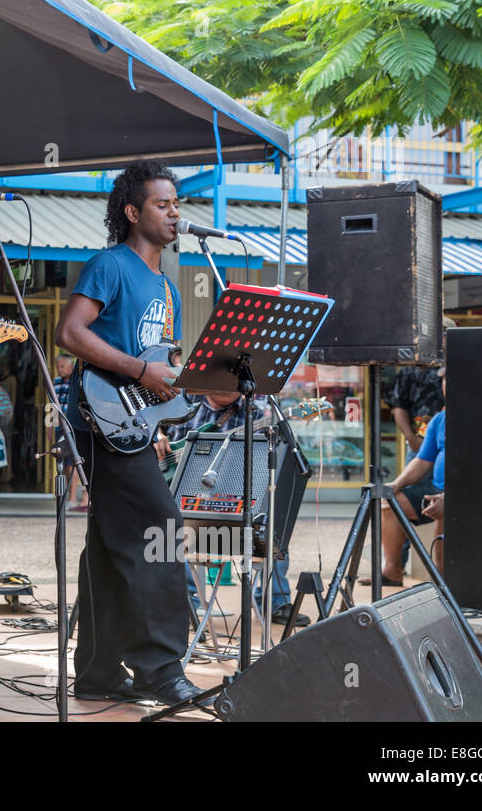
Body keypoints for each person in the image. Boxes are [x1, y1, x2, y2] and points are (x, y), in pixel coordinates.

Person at [56, 160, 202, 706]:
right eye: (162, 204)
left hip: (135, 428)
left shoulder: (168, 286)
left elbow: (164, 367)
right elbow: (69, 332)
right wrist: (141, 374)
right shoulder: (110, 265)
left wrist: (161, 413)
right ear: (133, 211)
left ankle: (97, 671)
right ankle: (161, 668)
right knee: (160, 528)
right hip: (100, 421)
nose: (173, 213)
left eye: (176, 204)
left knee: (110, 544)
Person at [166, 391, 310, 627]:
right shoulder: (185, 399)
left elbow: (269, 457)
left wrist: (272, 430)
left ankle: (274, 601)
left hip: (229, 491)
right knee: (171, 528)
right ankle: (184, 601)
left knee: (272, 524)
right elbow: (147, 422)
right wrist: (157, 436)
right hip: (180, 488)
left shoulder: (253, 410)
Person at [361, 367, 446, 586]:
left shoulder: (477, 417)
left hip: (464, 491)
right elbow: (423, 460)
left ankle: (443, 582)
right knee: (389, 501)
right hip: (434, 486)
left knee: (446, 516)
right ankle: (392, 572)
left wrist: (448, 497)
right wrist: (396, 485)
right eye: (445, 379)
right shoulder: (439, 419)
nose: (446, 384)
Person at [53, 354, 86, 511]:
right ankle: (70, 496)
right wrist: (50, 427)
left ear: (71, 367)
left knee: (73, 462)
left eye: (62, 366)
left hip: (74, 426)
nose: (59, 370)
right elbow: (52, 405)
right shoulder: (57, 381)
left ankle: (75, 497)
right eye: (58, 367)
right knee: (63, 461)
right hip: (59, 427)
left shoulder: (77, 380)